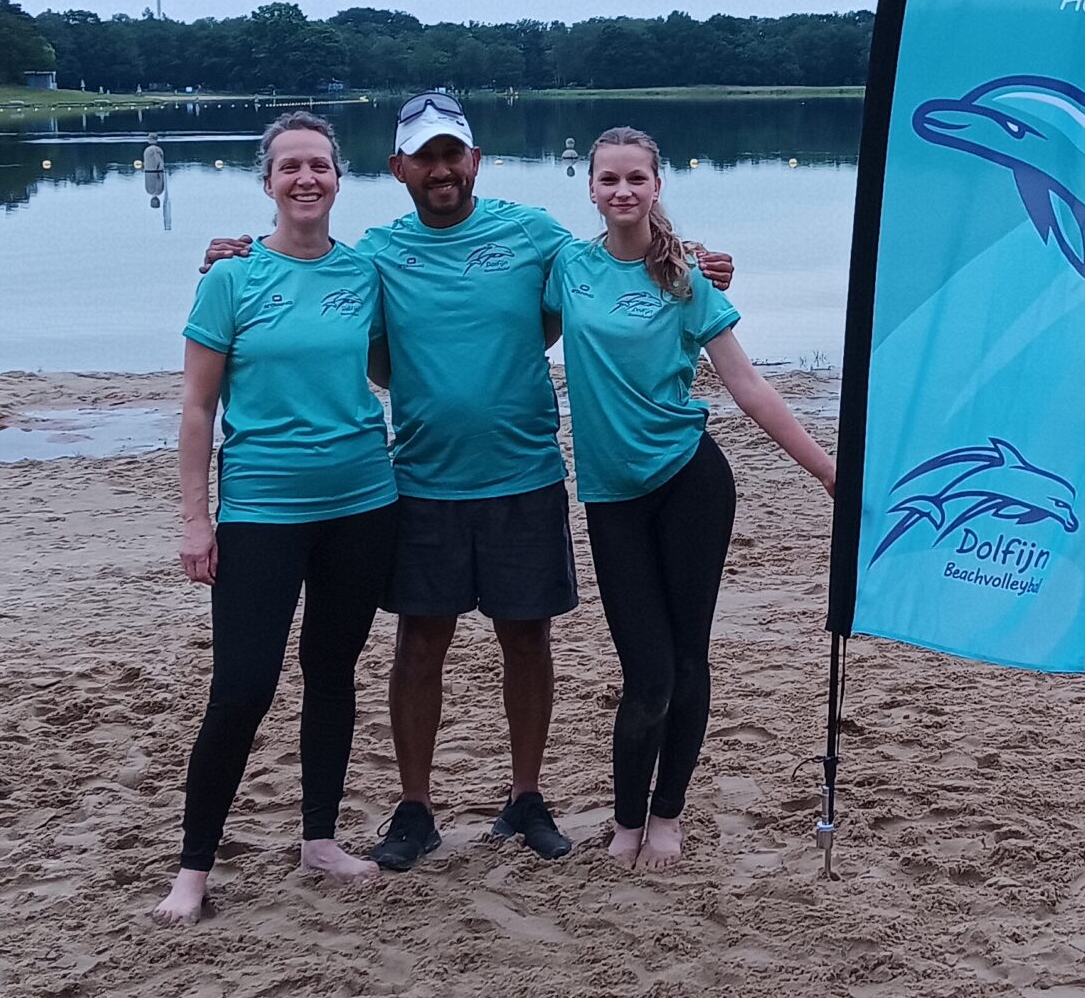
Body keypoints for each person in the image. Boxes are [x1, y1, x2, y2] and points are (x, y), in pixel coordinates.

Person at [200, 91, 731, 869]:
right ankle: (415, 807)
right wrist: (237, 252)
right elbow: (317, 283)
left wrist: (699, 260)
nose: (441, 168)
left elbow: (619, 256)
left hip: (525, 470)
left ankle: (526, 796)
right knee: (420, 642)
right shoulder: (376, 253)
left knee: (527, 638)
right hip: (422, 475)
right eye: (425, 157)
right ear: (398, 168)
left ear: (475, 159)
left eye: (453, 153)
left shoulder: (534, 235)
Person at [543, 126, 834, 871]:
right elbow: (498, 316)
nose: (622, 191)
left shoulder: (685, 278)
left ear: (657, 184)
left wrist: (827, 472)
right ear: (590, 187)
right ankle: (625, 821)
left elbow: (749, 385)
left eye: (635, 178)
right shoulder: (568, 267)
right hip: (611, 497)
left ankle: (666, 815)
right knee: (646, 675)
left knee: (686, 659)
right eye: (609, 179)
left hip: (690, 484)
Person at [152, 111, 400, 926]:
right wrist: (196, 520)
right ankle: (193, 869)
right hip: (261, 509)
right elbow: (197, 408)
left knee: (331, 671)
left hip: (362, 504)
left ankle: (319, 839)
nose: (306, 178)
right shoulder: (230, 278)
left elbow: (402, 357)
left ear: (338, 178)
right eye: (289, 166)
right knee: (242, 687)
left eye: (319, 165)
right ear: (267, 182)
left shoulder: (364, 273)